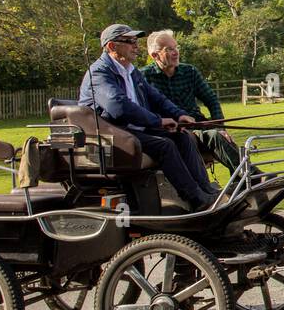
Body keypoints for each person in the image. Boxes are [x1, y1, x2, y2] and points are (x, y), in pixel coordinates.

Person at [78, 24, 221, 210]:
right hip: (112, 134)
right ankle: (196, 198)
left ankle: (208, 191)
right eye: (129, 41)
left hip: (132, 130)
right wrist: (158, 121)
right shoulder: (98, 73)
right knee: (164, 146)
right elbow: (119, 106)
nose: (135, 46)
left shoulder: (131, 71)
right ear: (112, 47)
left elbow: (157, 98)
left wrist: (179, 115)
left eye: (135, 41)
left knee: (182, 135)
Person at [141, 30, 242, 174]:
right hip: (173, 131)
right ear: (154, 55)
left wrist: (220, 127)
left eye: (176, 47)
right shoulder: (143, 76)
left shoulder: (189, 71)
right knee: (214, 136)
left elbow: (211, 100)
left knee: (222, 137)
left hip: (197, 123)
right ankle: (252, 177)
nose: (176, 52)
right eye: (169, 49)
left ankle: (244, 180)